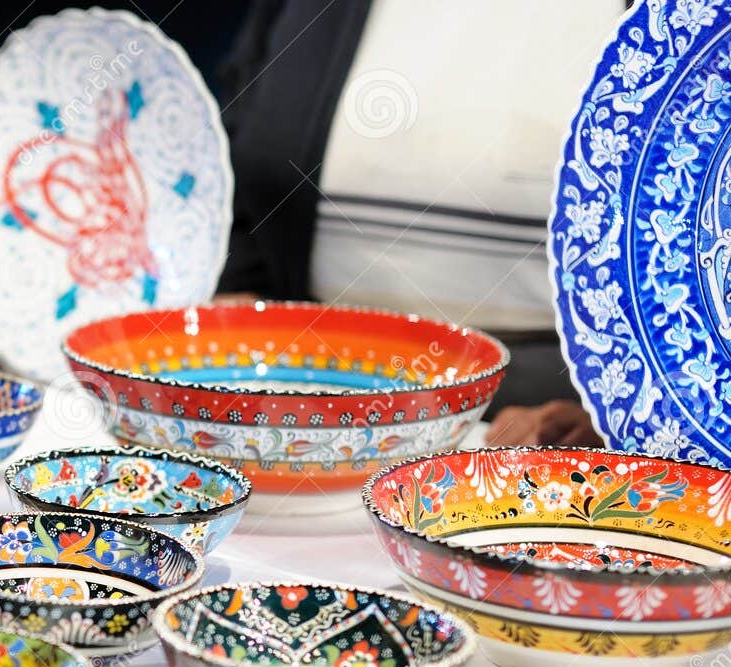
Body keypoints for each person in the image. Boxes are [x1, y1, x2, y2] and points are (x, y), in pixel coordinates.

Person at [215, 0, 628, 445]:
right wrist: (230, 322)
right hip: (305, 411)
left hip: (535, 442)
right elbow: (234, 184)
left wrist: (613, 418)